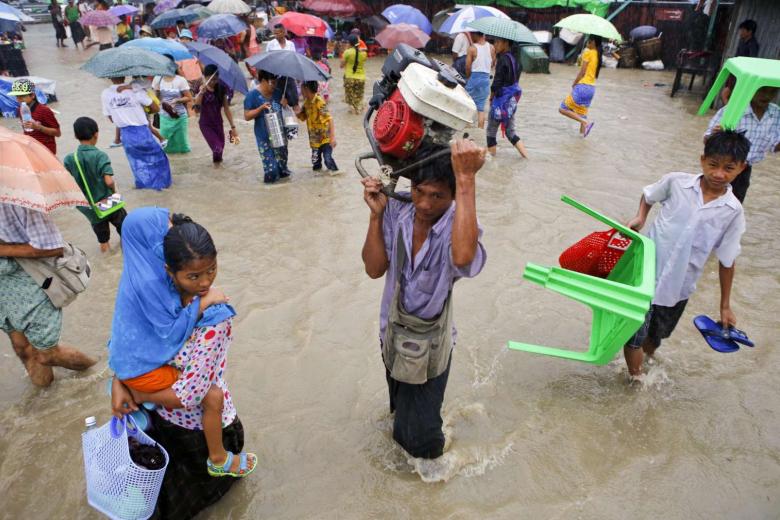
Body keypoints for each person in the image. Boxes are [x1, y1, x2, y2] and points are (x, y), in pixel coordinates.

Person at [108, 208, 253, 517]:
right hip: (190, 428)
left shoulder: (143, 291)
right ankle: (219, 458)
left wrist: (121, 381)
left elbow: (126, 345)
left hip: (166, 423)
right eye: (193, 276)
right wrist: (135, 390)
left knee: (177, 503)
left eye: (210, 271)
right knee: (209, 498)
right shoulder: (203, 314)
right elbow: (189, 395)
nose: (204, 282)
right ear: (168, 267)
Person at [360, 140, 487, 459]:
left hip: (431, 348)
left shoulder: (459, 225)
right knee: (398, 420)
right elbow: (374, 269)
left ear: (455, 194)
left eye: (437, 196)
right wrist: (376, 216)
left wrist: (468, 179)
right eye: (419, 190)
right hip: (391, 333)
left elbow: (463, 258)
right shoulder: (399, 209)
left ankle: (433, 485)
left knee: (422, 442)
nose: (425, 204)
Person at [622, 131, 749, 378]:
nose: (719, 174)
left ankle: (645, 361)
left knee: (655, 339)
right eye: (713, 165)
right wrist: (640, 217)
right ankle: (635, 380)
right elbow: (649, 196)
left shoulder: (733, 211)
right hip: (645, 274)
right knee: (634, 336)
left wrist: (725, 306)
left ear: (741, 169)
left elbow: (727, 259)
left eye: (728, 168)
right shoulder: (676, 182)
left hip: (678, 287)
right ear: (703, 160)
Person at [0, 202, 97, 387]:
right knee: (22, 348)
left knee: (46, 354)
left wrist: (3, 249)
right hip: (4, 290)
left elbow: (53, 247)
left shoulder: (17, 199)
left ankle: (99, 371)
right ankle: (44, 404)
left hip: (30, 281)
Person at [704, 87, 780, 204]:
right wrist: (715, 135)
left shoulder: (775, 113)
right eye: (762, 91)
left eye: (772, 91)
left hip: (744, 168)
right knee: (710, 199)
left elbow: (775, 146)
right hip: (723, 164)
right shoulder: (733, 109)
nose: (767, 96)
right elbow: (707, 140)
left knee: (735, 203)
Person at [63, 117, 127, 253]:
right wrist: (115, 192)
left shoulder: (69, 159)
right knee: (125, 231)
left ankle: (107, 259)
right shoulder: (100, 155)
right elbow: (109, 181)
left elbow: (67, 183)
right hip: (107, 202)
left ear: (75, 136)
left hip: (90, 207)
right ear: (96, 134)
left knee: (103, 240)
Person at [101, 76, 172, 190]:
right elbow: (156, 109)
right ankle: (162, 188)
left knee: (138, 165)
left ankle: (144, 190)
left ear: (109, 76)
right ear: (125, 75)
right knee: (159, 160)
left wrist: (122, 112)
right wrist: (140, 110)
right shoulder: (135, 90)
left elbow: (111, 118)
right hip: (143, 132)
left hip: (126, 135)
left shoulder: (105, 93)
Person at [244, 69, 288, 183]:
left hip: (279, 136)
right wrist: (260, 108)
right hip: (264, 138)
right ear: (263, 81)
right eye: (272, 83)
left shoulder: (279, 93)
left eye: (275, 82)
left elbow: (286, 113)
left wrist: (285, 104)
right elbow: (247, 116)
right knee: (271, 172)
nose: (274, 85)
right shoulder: (252, 95)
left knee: (282, 170)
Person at [487, 37, 528, 159]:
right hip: (510, 103)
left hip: (499, 101)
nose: (495, 45)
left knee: (491, 132)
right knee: (511, 133)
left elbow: (496, 83)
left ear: (506, 43)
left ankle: (492, 160)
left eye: (498, 42)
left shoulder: (503, 60)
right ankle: (526, 157)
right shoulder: (515, 60)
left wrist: (491, 98)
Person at [558, 35, 603, 137]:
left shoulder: (588, 52)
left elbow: (582, 72)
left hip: (583, 86)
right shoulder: (598, 54)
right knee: (583, 114)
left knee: (562, 109)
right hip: (591, 89)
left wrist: (574, 83)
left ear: (593, 42)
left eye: (589, 41)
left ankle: (585, 122)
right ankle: (581, 139)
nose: (587, 43)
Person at [194, 65, 238, 164]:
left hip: (218, 124)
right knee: (217, 148)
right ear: (205, 77)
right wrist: (201, 94)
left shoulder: (222, 89)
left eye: (215, 79)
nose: (213, 82)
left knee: (220, 150)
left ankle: (218, 171)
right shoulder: (199, 89)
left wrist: (233, 127)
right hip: (206, 125)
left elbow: (226, 109)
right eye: (210, 79)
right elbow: (196, 110)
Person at [9, 79, 60, 155]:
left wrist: (39, 127)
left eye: (22, 96)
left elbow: (57, 133)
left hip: (46, 150)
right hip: (31, 148)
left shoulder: (44, 110)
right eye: (17, 96)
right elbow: (27, 130)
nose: (19, 99)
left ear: (32, 95)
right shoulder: (20, 109)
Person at [298, 80, 337, 172]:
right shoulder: (306, 103)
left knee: (328, 159)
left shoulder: (320, 102)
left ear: (306, 89)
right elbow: (302, 117)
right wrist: (296, 109)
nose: (300, 91)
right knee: (315, 163)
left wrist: (332, 137)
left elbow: (329, 119)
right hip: (314, 140)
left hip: (325, 139)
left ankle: (335, 173)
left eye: (302, 89)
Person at [153, 64, 193, 154]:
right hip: (164, 117)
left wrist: (177, 100)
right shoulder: (157, 79)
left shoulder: (181, 80)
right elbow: (156, 100)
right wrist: (157, 91)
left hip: (180, 117)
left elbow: (189, 98)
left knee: (183, 147)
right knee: (165, 147)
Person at [721, 20, 759, 105]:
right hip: (735, 73)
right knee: (728, 96)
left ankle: (729, 114)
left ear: (749, 32)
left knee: (725, 95)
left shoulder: (753, 45)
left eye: (742, 30)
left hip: (742, 76)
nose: (740, 32)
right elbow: (737, 57)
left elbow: (752, 62)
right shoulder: (742, 42)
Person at [464, 32, 494, 129]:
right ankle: (480, 130)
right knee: (481, 108)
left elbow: (468, 66)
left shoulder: (472, 48)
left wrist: (469, 78)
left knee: (467, 103)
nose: (471, 37)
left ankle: (466, 127)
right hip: (485, 79)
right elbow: (493, 63)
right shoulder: (492, 48)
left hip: (474, 77)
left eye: (472, 35)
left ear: (476, 35)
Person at [340, 34, 366, 115]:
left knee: (350, 102)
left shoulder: (347, 52)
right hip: (361, 78)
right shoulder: (364, 54)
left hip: (349, 78)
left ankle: (352, 115)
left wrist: (345, 51)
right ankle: (359, 114)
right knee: (359, 99)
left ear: (350, 43)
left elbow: (341, 66)